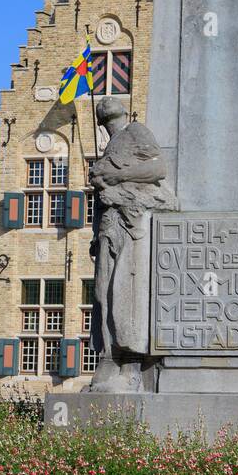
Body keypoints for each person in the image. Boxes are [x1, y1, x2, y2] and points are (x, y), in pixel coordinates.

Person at [88, 97, 176, 393]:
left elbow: (158, 168)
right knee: (103, 293)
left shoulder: (136, 131)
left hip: (130, 222)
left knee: (125, 292)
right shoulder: (111, 145)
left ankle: (131, 365)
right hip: (108, 226)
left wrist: (120, 174)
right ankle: (108, 356)